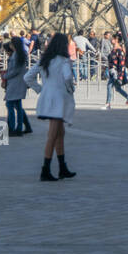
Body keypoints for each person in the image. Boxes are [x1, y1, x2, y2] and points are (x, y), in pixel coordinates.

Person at [24, 31, 76, 182]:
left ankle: (62, 167)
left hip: (47, 99)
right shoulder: (64, 60)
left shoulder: (45, 60)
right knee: (53, 136)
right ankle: (45, 170)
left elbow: (27, 77)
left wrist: (40, 89)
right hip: (59, 101)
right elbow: (67, 78)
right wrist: (71, 88)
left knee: (60, 134)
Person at [2, 35, 33, 136]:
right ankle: (19, 128)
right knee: (18, 106)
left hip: (14, 83)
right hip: (20, 82)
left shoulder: (15, 55)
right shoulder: (21, 54)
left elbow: (14, 71)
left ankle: (11, 128)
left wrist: (5, 76)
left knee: (10, 105)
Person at [103, 33, 128, 108]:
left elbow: (121, 64)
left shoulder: (119, 51)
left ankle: (108, 103)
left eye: (112, 38)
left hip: (116, 72)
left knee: (109, 86)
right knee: (118, 89)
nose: (111, 40)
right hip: (112, 71)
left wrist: (120, 76)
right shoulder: (114, 49)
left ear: (116, 40)